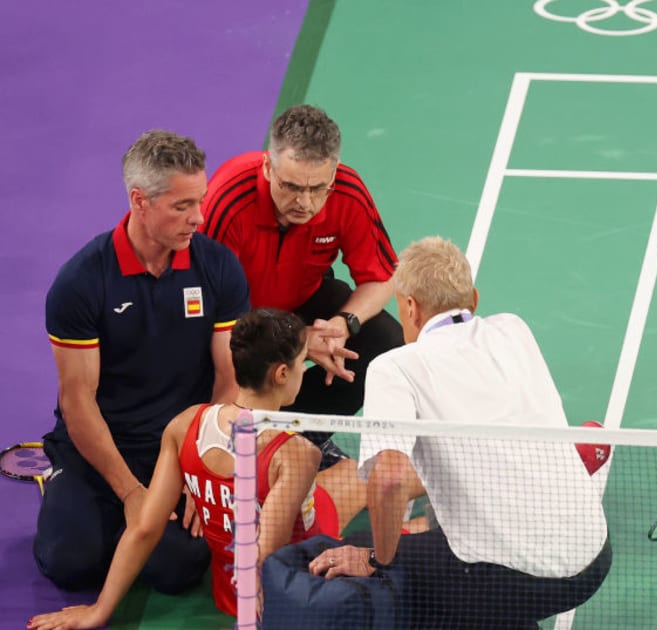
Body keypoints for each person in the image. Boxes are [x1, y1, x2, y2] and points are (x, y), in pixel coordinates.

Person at [307, 237, 612, 629]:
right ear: (474, 299)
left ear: (411, 307)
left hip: (512, 581)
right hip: (594, 558)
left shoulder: (395, 367)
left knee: (372, 544)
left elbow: (388, 481)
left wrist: (377, 562)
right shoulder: (514, 330)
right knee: (445, 551)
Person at [29, 308, 360, 629]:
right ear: (282, 374)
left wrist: (100, 610)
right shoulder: (298, 453)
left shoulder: (185, 424)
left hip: (228, 593)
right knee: (375, 474)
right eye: (302, 363)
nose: (303, 371)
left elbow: (144, 528)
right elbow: (264, 558)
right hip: (292, 593)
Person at [35, 130, 250, 595]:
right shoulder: (82, 281)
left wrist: (201, 464)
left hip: (174, 446)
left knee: (178, 567)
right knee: (68, 564)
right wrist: (132, 493)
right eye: (182, 206)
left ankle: (119, 530)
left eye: (201, 201)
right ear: (140, 201)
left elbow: (230, 379)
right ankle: (74, 495)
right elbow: (77, 401)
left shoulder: (218, 268)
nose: (199, 217)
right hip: (97, 444)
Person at [201, 104, 404, 461]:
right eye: (290, 186)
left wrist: (341, 325)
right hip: (234, 314)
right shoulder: (229, 201)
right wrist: (296, 342)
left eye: (317, 188)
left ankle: (298, 438)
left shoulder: (347, 193)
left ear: (334, 173)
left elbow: (383, 277)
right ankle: (223, 438)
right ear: (267, 166)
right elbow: (208, 309)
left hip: (302, 295)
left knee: (382, 340)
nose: (304, 202)